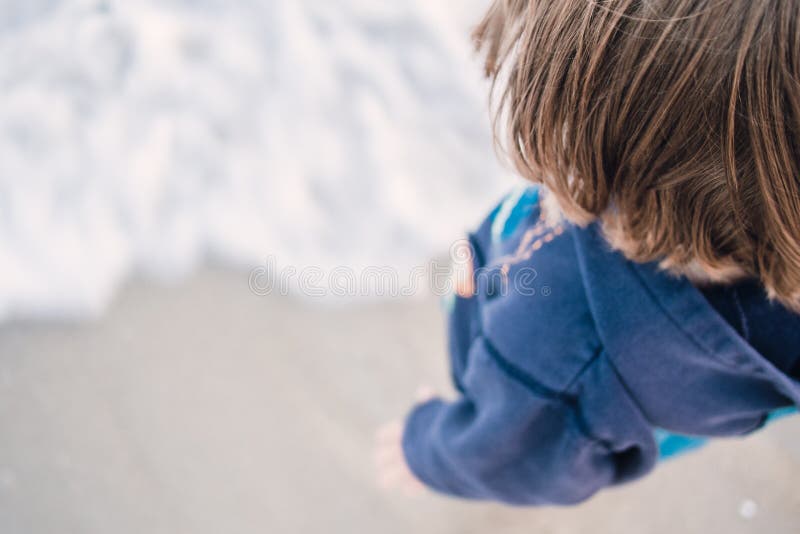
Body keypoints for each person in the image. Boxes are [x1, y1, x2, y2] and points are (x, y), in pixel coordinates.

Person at [375, 0, 800, 505]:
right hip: (708, 386)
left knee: (554, 413)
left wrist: (428, 449)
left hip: (547, 365)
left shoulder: (550, 340)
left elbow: (505, 454)